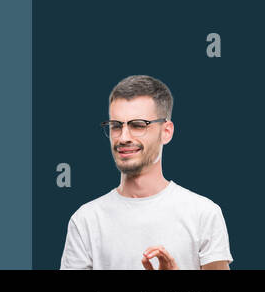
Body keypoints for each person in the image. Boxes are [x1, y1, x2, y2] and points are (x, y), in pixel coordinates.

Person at [60, 75, 231, 270]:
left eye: (138, 125)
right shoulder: (85, 221)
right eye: (116, 126)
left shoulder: (204, 214)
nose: (123, 137)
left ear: (166, 132)